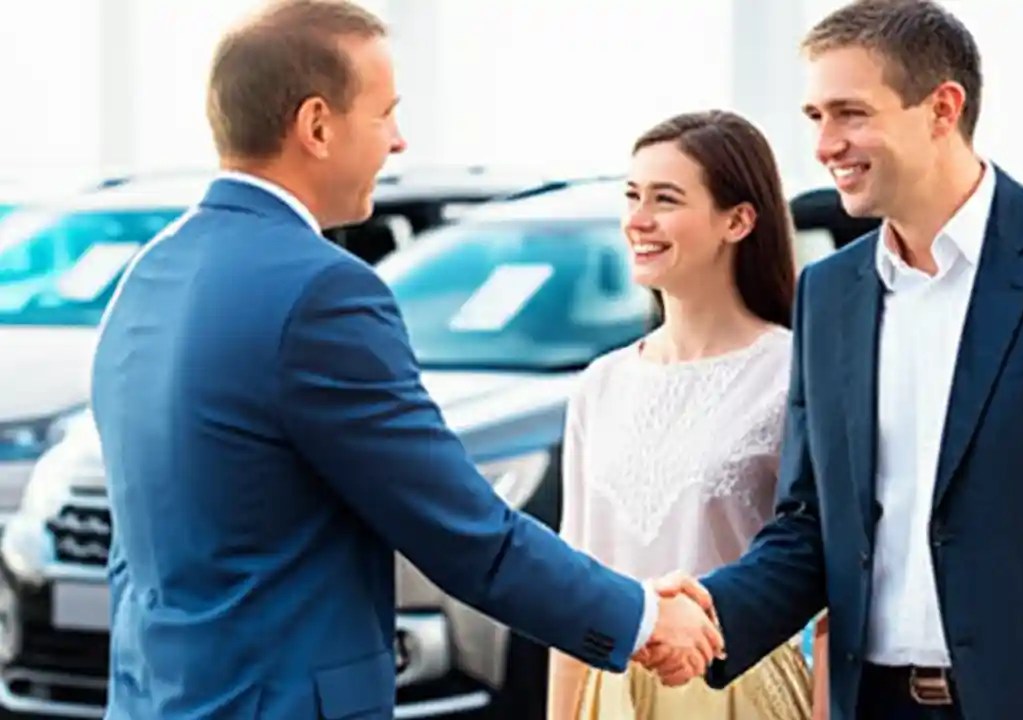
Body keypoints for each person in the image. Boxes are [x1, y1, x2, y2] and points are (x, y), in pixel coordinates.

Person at [89, 2, 720, 718]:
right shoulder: (322, 290)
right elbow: (460, 530)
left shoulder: (148, 274)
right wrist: (643, 619)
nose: (398, 140)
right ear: (317, 126)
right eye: (384, 113)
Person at [639, 1, 1023, 719]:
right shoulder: (831, 293)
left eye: (850, 114)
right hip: (876, 704)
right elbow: (809, 525)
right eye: (815, 116)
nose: (825, 145)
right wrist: (711, 611)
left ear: (943, 108)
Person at [546, 110, 823, 720]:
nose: (637, 220)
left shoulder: (794, 374)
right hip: (610, 692)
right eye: (632, 196)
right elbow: (574, 585)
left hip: (744, 691)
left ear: (738, 221)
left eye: (665, 199)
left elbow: (824, 575)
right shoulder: (600, 384)